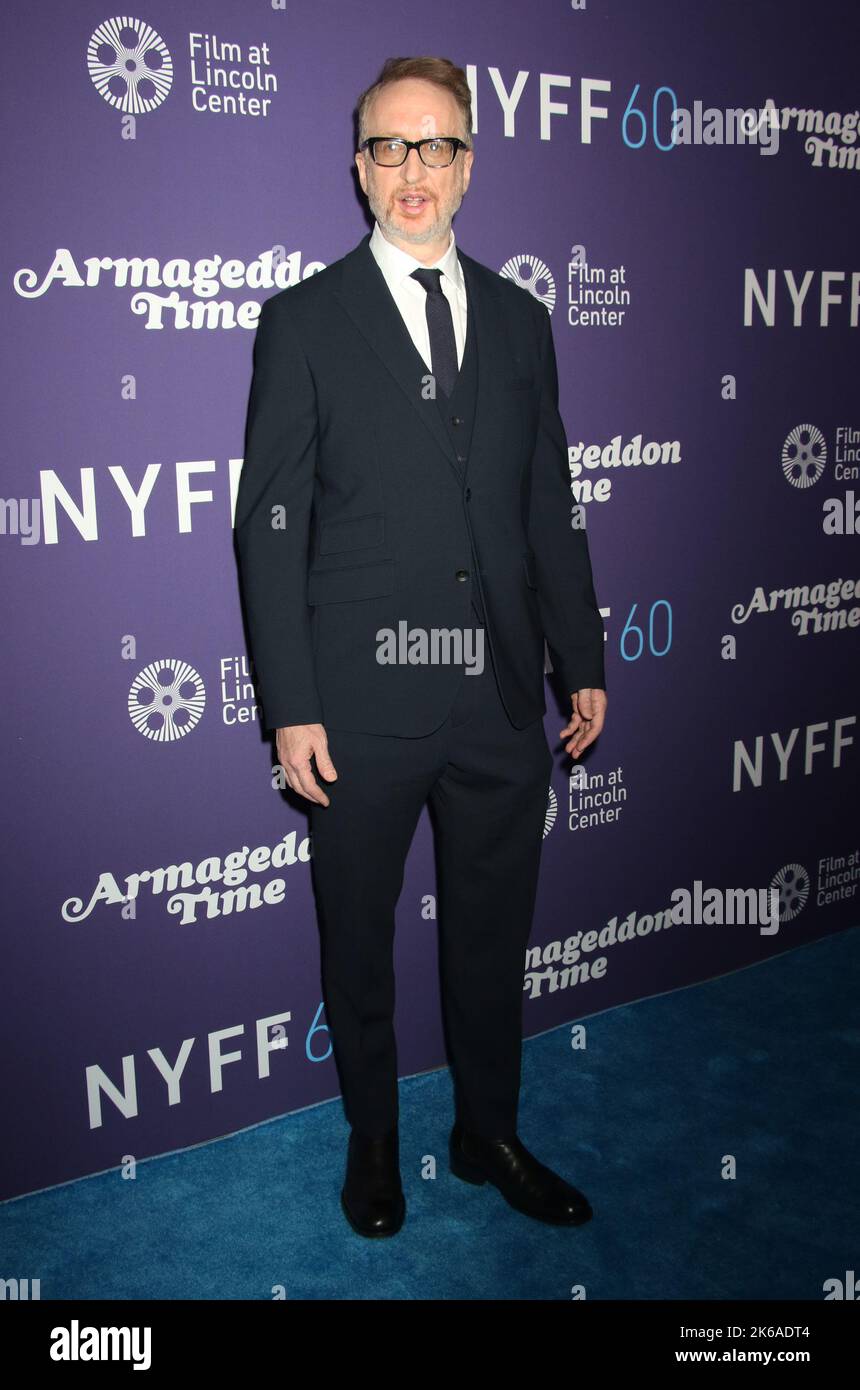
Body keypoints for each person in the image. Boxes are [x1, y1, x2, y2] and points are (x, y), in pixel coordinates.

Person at [235, 55, 608, 1238]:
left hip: (500, 699)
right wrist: (289, 705)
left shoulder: (519, 319)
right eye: (390, 147)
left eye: (436, 145)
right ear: (359, 169)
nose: (413, 169)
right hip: (357, 710)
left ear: (467, 166)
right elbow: (268, 527)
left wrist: (580, 658)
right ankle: (374, 1142)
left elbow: (546, 504)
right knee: (359, 945)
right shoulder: (301, 320)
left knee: (493, 939)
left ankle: (487, 1129)